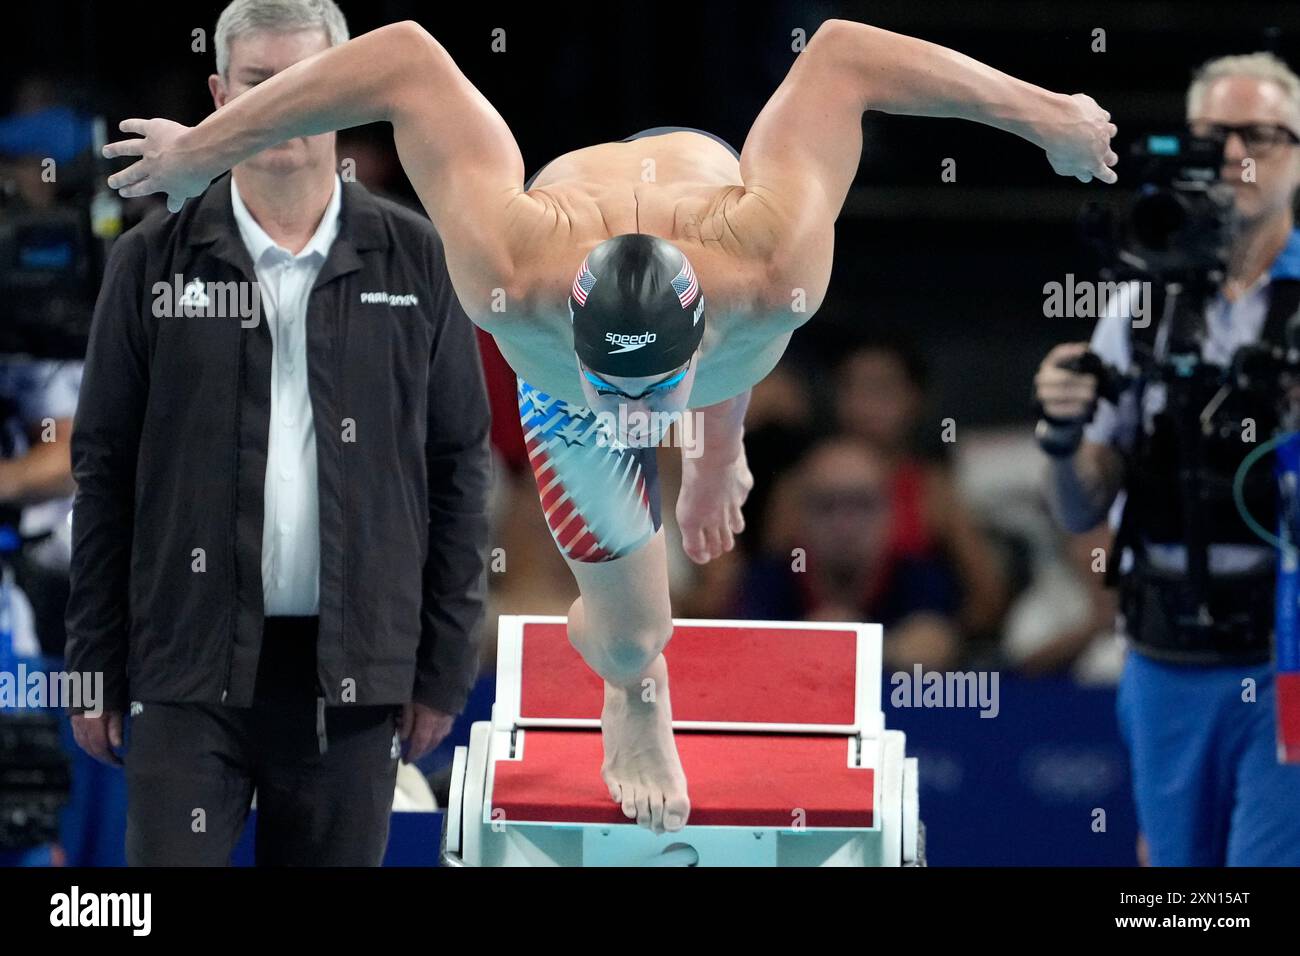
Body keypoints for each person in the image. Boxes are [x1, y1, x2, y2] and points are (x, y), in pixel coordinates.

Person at [102, 16, 1117, 834]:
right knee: (637, 634)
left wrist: (1047, 117)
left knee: (718, 406)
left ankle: (707, 472)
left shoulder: (775, 270)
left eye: (652, 395)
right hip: (593, 346)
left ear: (696, 342)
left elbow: (847, 53)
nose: (636, 423)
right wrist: (203, 148)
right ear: (574, 334)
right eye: (616, 389)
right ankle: (635, 687)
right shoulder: (509, 273)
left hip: (708, 227)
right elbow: (404, 58)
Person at [66, 0, 491, 865]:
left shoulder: (421, 258)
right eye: (265, 85)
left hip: (355, 674)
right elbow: (101, 473)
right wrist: (90, 670)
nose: (287, 108)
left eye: (310, 85)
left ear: (348, 95)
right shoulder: (150, 260)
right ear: (222, 93)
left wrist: (443, 671)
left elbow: (458, 470)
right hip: (184, 669)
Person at [1034, 52, 1300, 865]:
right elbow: (1081, 507)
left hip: (1287, 648)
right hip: (1164, 650)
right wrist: (1059, 434)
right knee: (1175, 880)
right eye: (1211, 135)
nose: (1235, 154)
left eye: (1261, 134)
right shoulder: (1141, 305)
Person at [734, 437, 963, 670]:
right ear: (799, 516)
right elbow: (744, 652)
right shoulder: (767, 581)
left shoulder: (921, 576)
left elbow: (935, 645)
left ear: (891, 513)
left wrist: (846, 641)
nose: (843, 525)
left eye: (861, 504)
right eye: (826, 506)